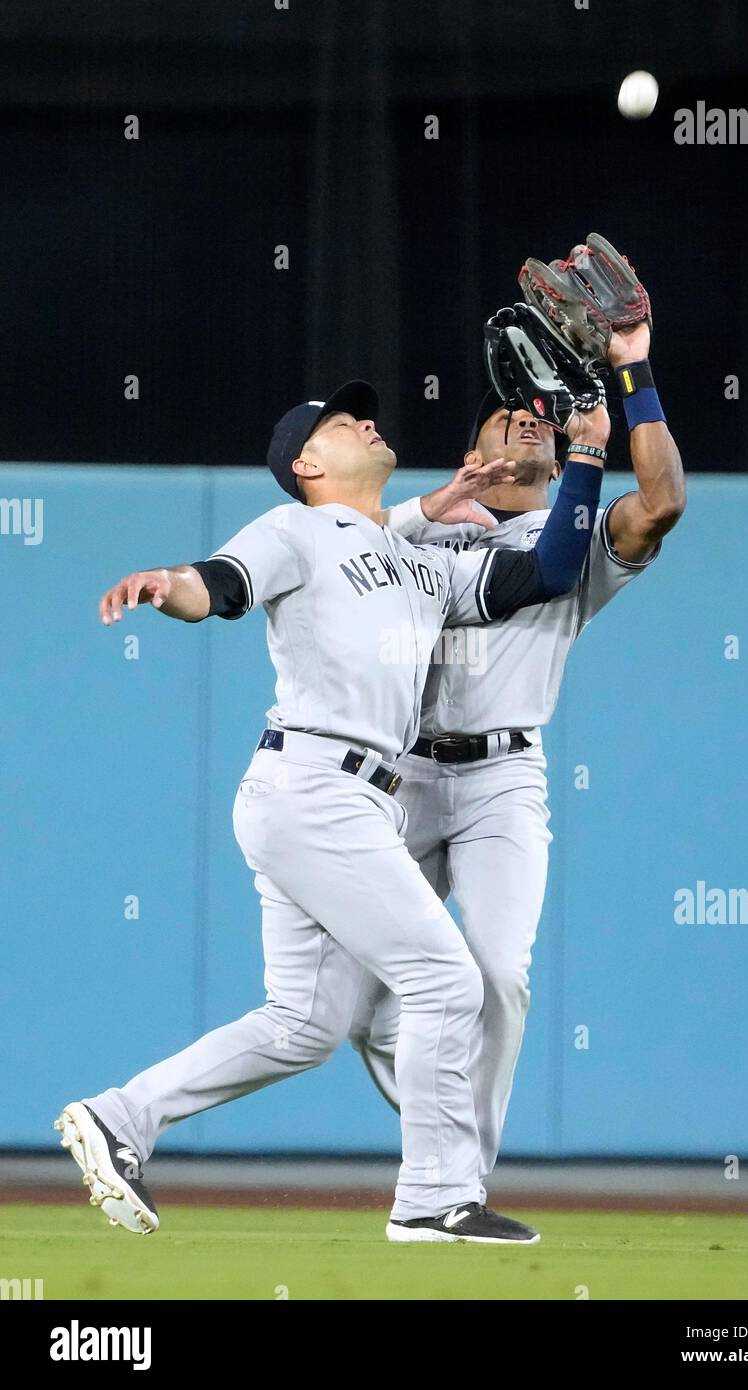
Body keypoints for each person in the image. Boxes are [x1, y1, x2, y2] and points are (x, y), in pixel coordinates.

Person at [55, 377, 605, 1245]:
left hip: (342, 798)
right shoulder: (296, 529)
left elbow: (550, 570)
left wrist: (586, 455)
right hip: (314, 788)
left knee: (305, 1024)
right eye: (348, 422)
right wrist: (170, 584)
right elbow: (222, 584)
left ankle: (120, 1118)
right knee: (446, 977)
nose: (370, 421)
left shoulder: (419, 563)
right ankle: (433, 1198)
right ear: (308, 462)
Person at [351, 314, 686, 1204]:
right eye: (508, 415)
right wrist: (427, 506)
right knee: (354, 1001)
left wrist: (632, 370)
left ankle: (458, 1182)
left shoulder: (574, 546)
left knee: (499, 971)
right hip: (401, 777)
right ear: (473, 449)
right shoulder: (410, 531)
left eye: (541, 417)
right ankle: (430, 1104)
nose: (528, 419)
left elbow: (662, 504)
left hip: (503, 779)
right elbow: (337, 551)